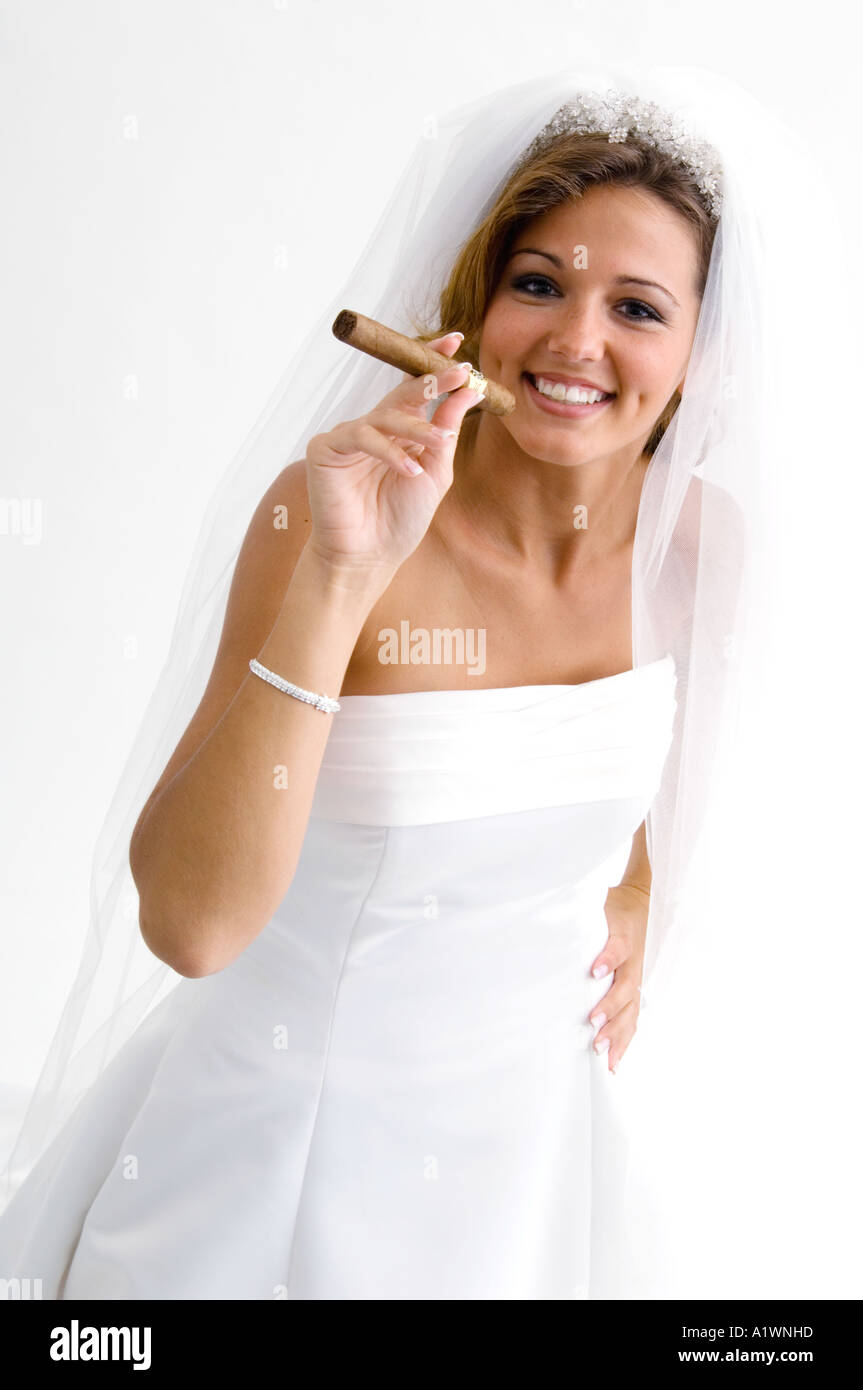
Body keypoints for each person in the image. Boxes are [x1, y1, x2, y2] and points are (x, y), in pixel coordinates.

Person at [0, 66, 845, 1299]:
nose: (574, 341)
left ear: (706, 352)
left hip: (523, 1172)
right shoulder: (325, 515)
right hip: (279, 1162)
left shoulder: (702, 545)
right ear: (476, 302)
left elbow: (654, 788)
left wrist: (636, 903)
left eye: (639, 308)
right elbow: (190, 927)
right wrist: (344, 573)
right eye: (538, 284)